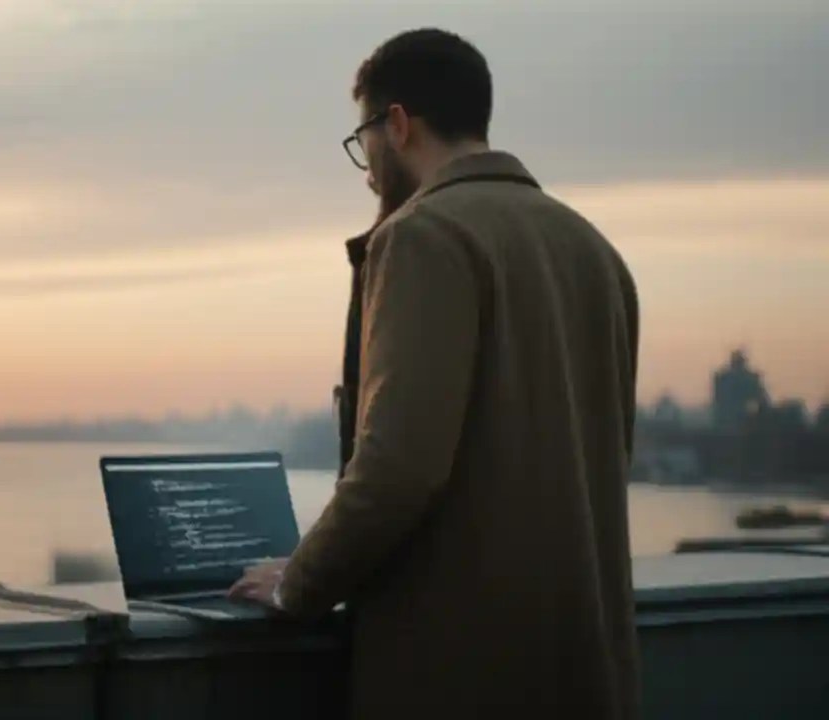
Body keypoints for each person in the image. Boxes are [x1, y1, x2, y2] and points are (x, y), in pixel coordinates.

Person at [228, 28, 642, 718]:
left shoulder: (423, 235)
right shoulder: (596, 251)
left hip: (464, 674)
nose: (365, 169)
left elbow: (399, 466)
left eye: (363, 143)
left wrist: (297, 584)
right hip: (585, 667)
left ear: (396, 124)